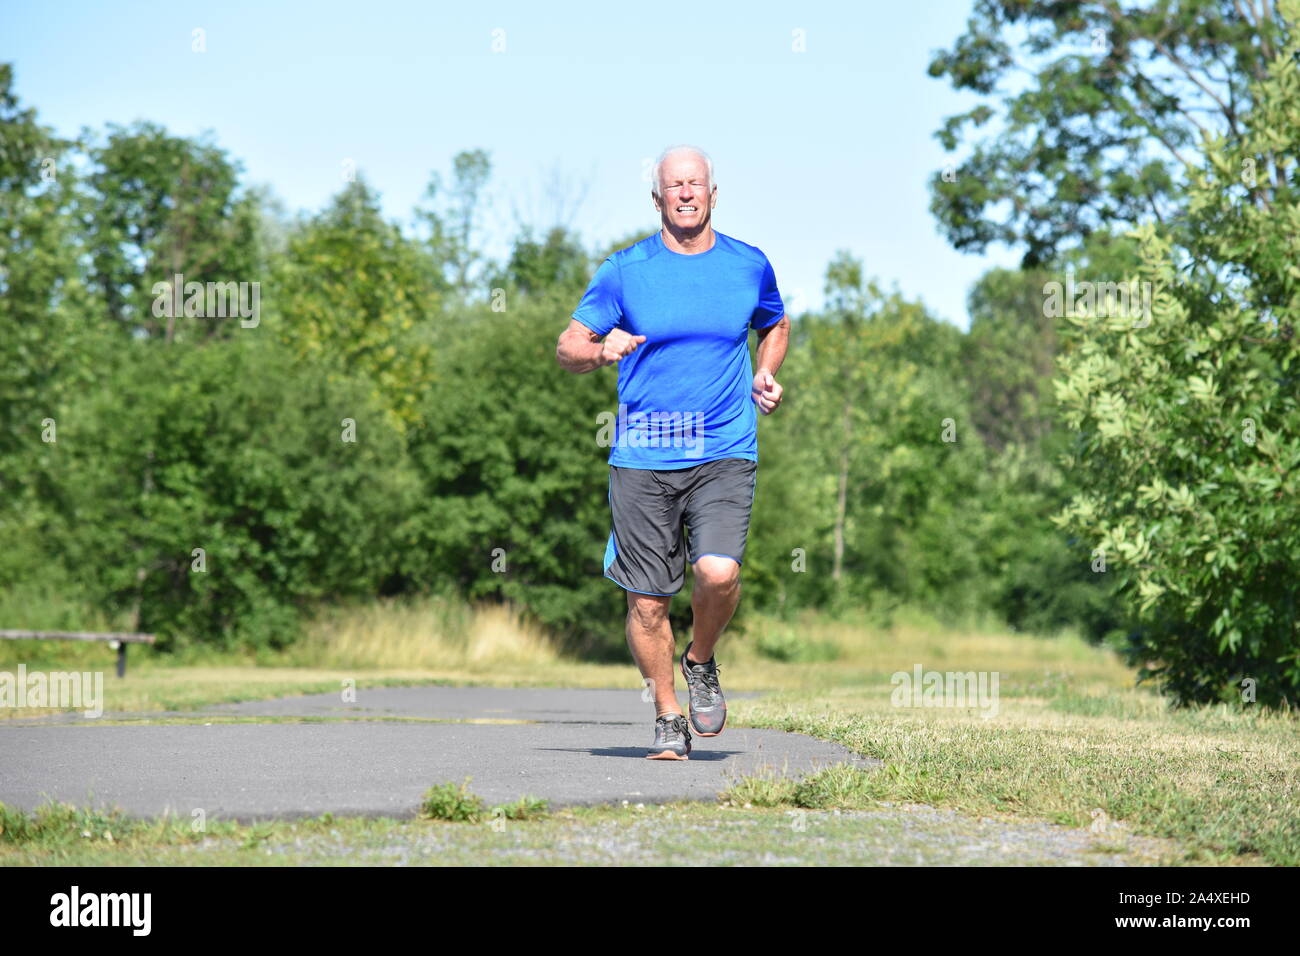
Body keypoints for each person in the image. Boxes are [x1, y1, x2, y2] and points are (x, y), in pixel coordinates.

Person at [556, 144, 790, 759]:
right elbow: (567, 346)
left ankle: (702, 660)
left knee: (719, 572)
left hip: (723, 445)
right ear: (657, 198)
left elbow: (776, 323)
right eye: (674, 186)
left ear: (714, 193)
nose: (686, 194)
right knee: (648, 600)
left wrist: (765, 371)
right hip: (644, 454)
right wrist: (599, 350)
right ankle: (666, 715)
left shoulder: (748, 265)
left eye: (696, 184)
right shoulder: (625, 270)